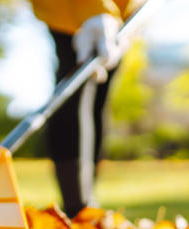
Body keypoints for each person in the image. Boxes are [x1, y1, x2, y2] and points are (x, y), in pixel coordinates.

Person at [28, 0, 144, 217]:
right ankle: (76, 205)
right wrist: (95, 9)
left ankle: (86, 204)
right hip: (71, 12)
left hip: (125, 14)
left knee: (99, 96)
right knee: (74, 91)